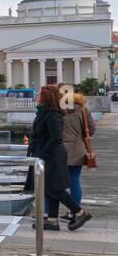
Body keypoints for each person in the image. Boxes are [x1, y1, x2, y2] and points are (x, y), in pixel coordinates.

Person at [29, 84, 90, 231]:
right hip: (49, 154)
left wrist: (42, 155)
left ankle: (80, 212)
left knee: (56, 189)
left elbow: (56, 138)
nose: (37, 96)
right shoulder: (45, 112)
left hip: (52, 156)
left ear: (46, 97)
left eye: (39, 94)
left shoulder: (52, 114)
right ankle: (52, 220)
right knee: (50, 188)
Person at [62, 91, 96, 215]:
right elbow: (92, 128)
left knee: (56, 182)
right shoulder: (83, 110)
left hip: (62, 150)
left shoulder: (60, 110)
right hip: (78, 150)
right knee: (74, 180)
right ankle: (74, 211)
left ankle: (49, 212)